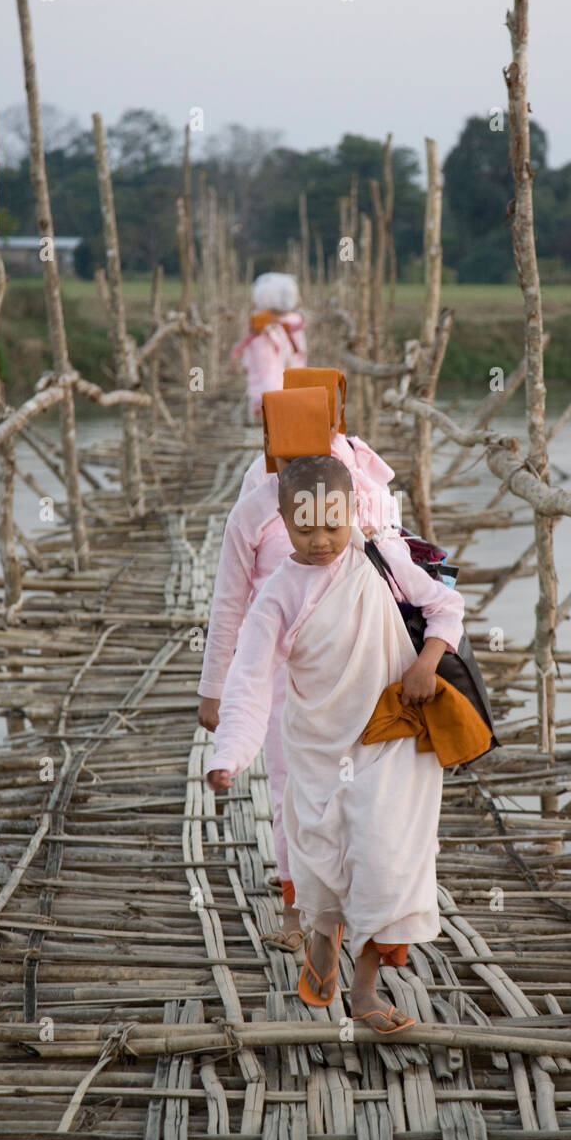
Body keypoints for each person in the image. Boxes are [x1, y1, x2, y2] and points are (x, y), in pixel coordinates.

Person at [205, 455, 465, 1035]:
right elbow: (248, 683)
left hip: (394, 736)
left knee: (383, 856)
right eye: (304, 528)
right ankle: (323, 939)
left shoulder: (383, 555)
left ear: (353, 510)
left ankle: (366, 992)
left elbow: (446, 606)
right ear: (282, 520)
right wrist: (229, 755)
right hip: (321, 747)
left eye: (333, 524)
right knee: (324, 860)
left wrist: (426, 663)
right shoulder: (276, 596)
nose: (320, 540)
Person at [197, 387, 333, 952]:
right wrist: (214, 689)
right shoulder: (254, 504)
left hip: (345, 667)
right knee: (286, 787)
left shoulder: (352, 488)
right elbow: (229, 602)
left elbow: (392, 569)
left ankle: (345, 904)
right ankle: (295, 916)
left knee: (344, 788)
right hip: (276, 664)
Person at [238, 366, 400, 538]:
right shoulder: (265, 469)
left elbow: (387, 511)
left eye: (330, 423)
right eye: (314, 418)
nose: (324, 431)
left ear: (340, 415)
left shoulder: (357, 456)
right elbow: (243, 527)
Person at [230, 273, 307, 419]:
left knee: (278, 378)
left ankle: (277, 407)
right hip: (270, 385)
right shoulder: (263, 323)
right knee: (271, 379)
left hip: (274, 383)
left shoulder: (290, 323)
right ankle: (273, 407)